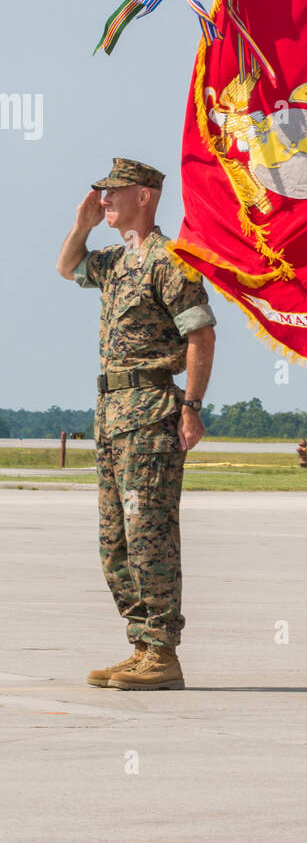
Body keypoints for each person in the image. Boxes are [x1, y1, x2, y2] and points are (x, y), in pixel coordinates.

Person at [57, 158, 216, 691]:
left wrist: (191, 406)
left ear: (145, 197)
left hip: (151, 415)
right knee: (115, 541)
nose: (103, 200)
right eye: (100, 193)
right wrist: (81, 224)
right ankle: (142, 645)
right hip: (112, 418)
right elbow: (67, 267)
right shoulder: (115, 260)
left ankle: (163, 653)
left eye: (112, 193)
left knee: (149, 534)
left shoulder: (170, 261)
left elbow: (201, 335)